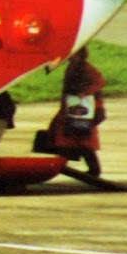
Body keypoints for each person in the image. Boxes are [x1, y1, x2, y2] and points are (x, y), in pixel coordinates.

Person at [49, 45, 105, 176]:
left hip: (85, 111)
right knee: (66, 136)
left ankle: (94, 169)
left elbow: (99, 82)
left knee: (83, 140)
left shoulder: (87, 69)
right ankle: (61, 163)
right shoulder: (72, 68)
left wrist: (85, 92)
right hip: (73, 109)